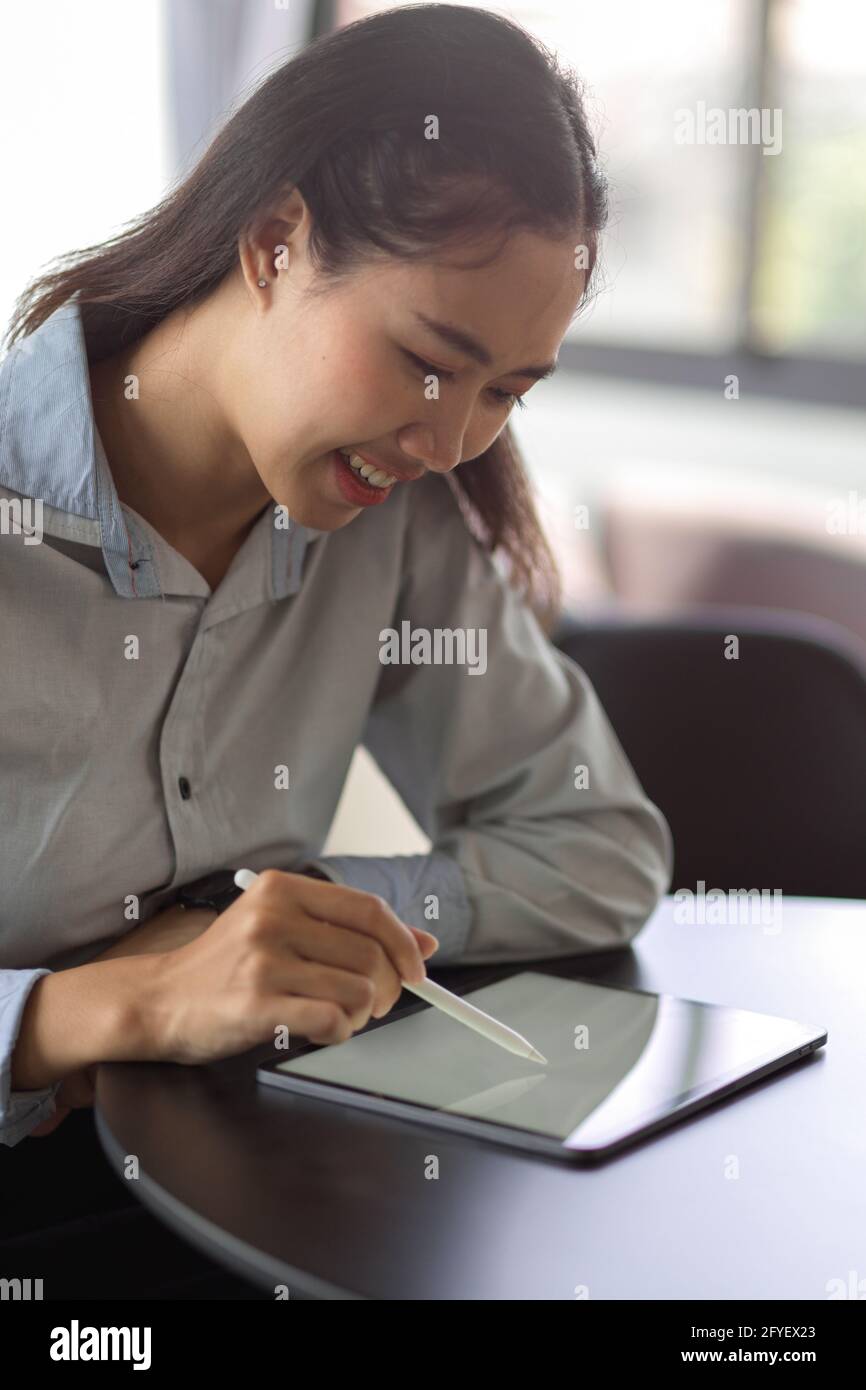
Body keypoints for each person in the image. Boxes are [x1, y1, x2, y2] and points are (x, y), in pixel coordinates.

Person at [0, 3, 672, 1294]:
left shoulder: (386, 522)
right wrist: (95, 1004)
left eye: (507, 393)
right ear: (274, 242)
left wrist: (296, 921)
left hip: (238, 1199)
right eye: (431, 361)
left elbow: (598, 845)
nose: (453, 442)